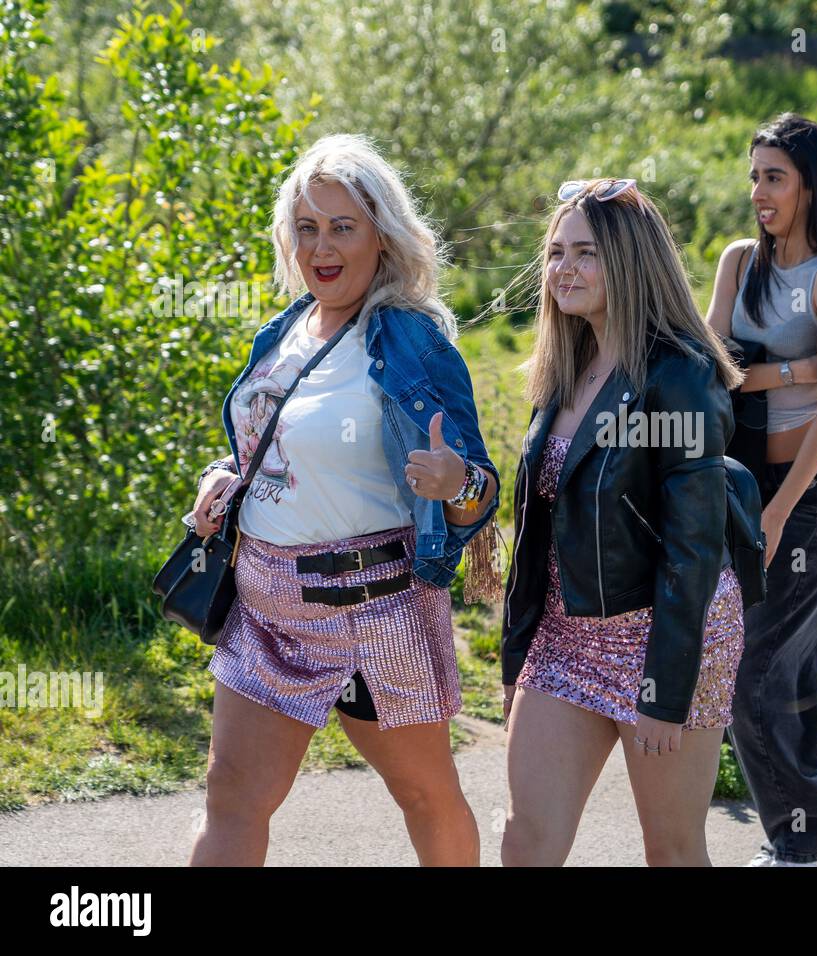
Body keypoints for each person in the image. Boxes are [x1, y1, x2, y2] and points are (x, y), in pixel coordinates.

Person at [186, 133, 500, 866]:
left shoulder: (411, 340)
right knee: (231, 796)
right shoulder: (286, 330)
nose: (321, 247)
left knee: (425, 794)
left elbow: (477, 489)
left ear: (382, 237)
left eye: (341, 227)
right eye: (306, 227)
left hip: (372, 608)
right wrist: (222, 478)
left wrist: (456, 486)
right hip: (263, 609)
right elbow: (275, 446)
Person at [499, 178, 747, 866]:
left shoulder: (682, 376)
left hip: (668, 632)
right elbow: (542, 526)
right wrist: (519, 648)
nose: (563, 269)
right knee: (526, 840)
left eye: (586, 253)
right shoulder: (563, 367)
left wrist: (664, 689)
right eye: (554, 253)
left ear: (630, 262)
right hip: (564, 634)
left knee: (670, 849)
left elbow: (694, 549)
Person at [704, 114, 817, 866]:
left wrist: (775, 513)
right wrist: (792, 370)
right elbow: (712, 370)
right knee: (787, 668)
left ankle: (809, 839)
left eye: (774, 176)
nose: (759, 191)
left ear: (811, 186)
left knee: (757, 673)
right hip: (750, 482)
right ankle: (814, 831)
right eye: (754, 176)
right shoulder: (740, 263)